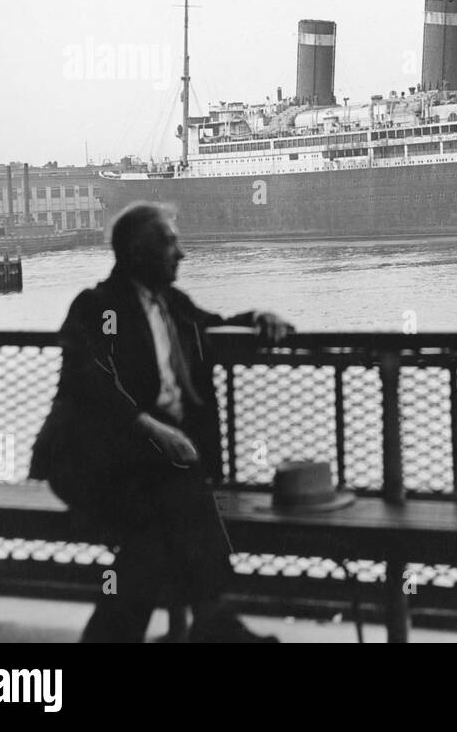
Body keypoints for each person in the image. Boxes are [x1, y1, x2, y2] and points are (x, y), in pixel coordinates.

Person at [30, 201, 294, 642]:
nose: (182, 254)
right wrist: (150, 427)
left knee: (151, 540)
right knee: (178, 500)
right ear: (137, 252)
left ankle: (176, 625)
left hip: (147, 471)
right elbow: (90, 375)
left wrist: (259, 318)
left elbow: (217, 325)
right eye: (170, 242)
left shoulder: (173, 305)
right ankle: (213, 619)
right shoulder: (98, 307)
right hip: (87, 464)